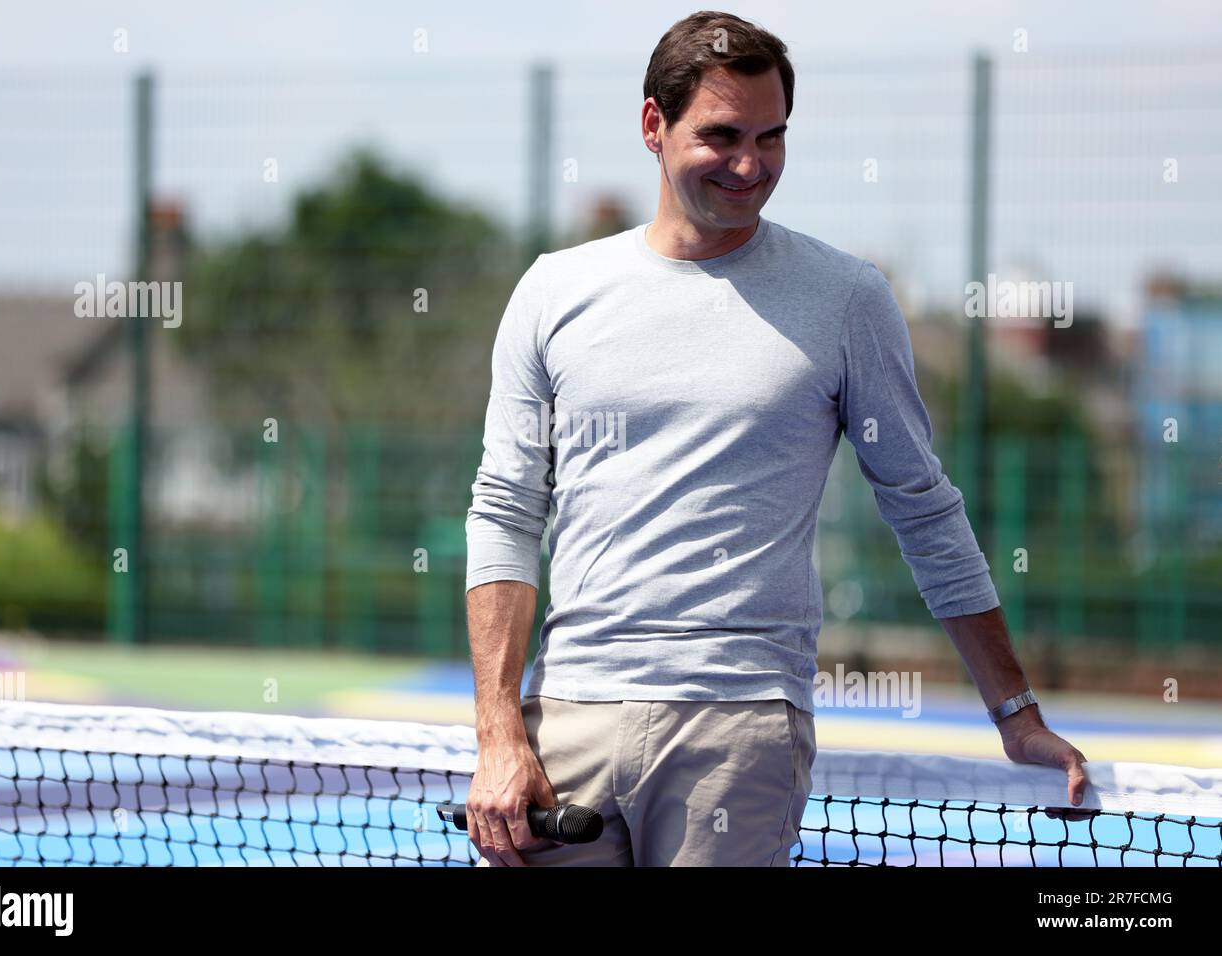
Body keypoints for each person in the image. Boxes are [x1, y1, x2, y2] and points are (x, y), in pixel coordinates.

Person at [462, 10, 1087, 867]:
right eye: (721, 136)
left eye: (771, 137)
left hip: (743, 732)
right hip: (568, 721)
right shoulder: (550, 293)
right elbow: (504, 510)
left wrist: (1015, 714)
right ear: (654, 125)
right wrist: (499, 733)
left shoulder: (847, 298)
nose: (751, 165)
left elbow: (924, 510)